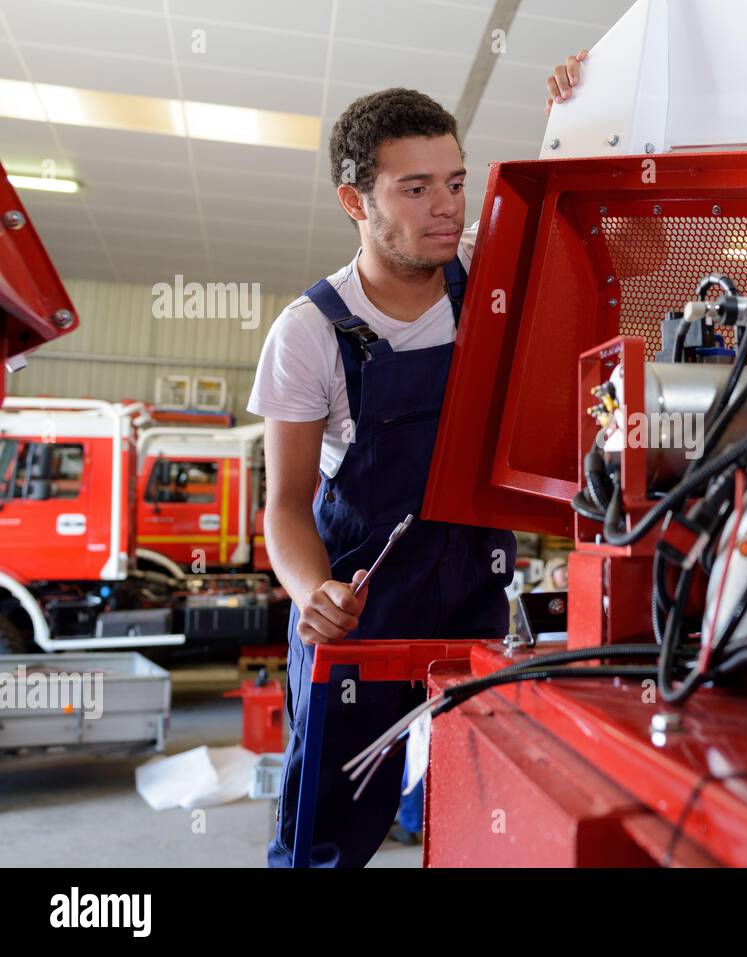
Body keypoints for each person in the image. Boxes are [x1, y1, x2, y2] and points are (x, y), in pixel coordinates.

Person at [249, 51, 587, 867]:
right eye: (416, 188)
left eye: (455, 182)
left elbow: (595, 233)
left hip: (475, 594)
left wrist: (588, 107)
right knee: (324, 835)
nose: (446, 207)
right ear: (354, 202)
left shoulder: (490, 275)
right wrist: (312, 591)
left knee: (491, 815)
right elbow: (287, 505)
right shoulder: (312, 332)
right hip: (360, 609)